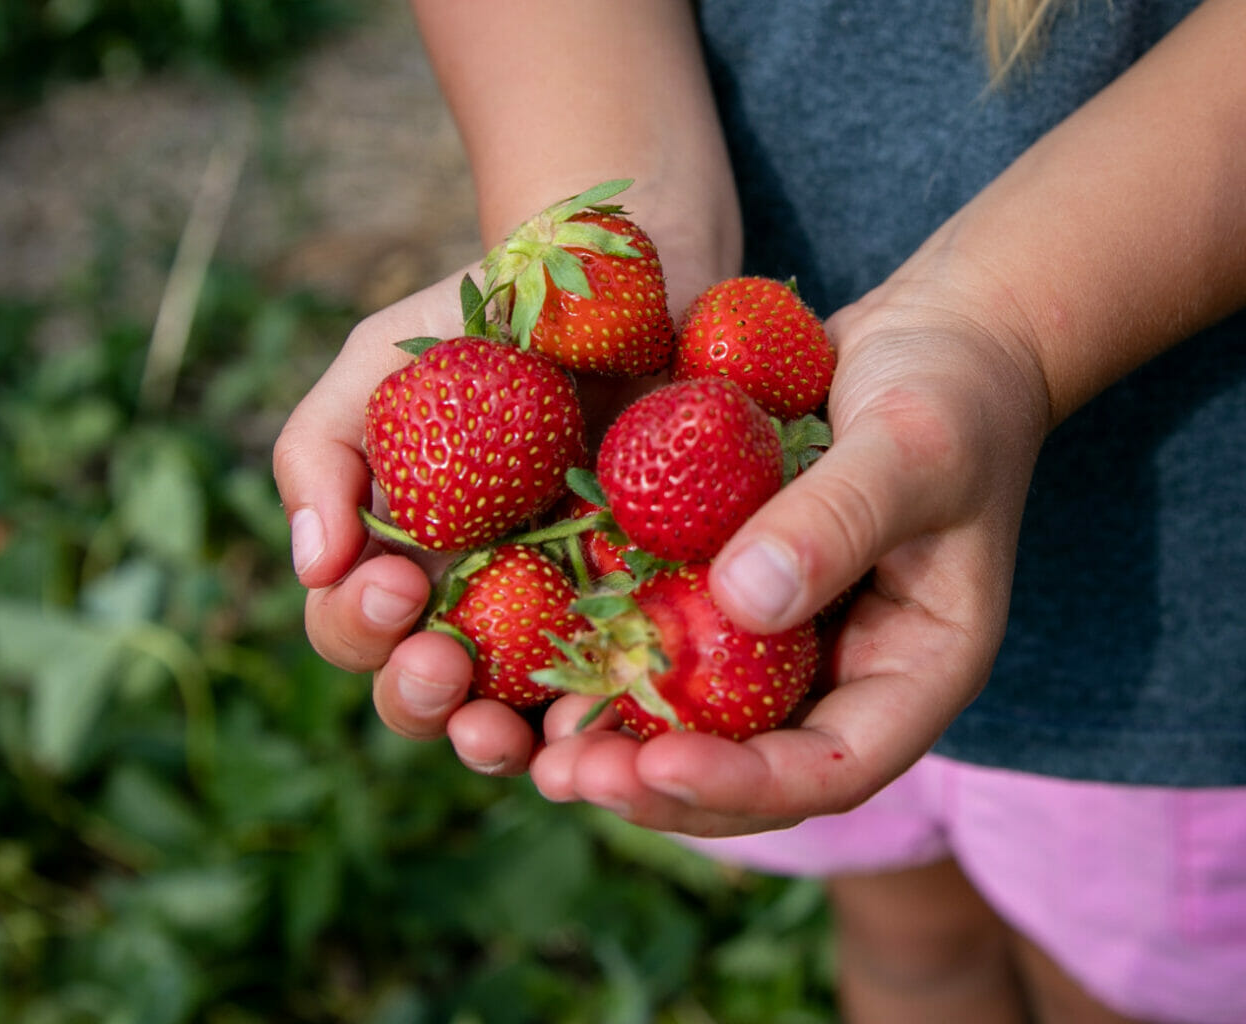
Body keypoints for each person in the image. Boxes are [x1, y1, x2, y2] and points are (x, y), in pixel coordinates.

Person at [273, 1, 1246, 1019]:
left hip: (1170, 612)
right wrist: (615, 206)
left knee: (1112, 987)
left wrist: (1003, 332)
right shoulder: (664, 548)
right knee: (905, 938)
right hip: (823, 614)